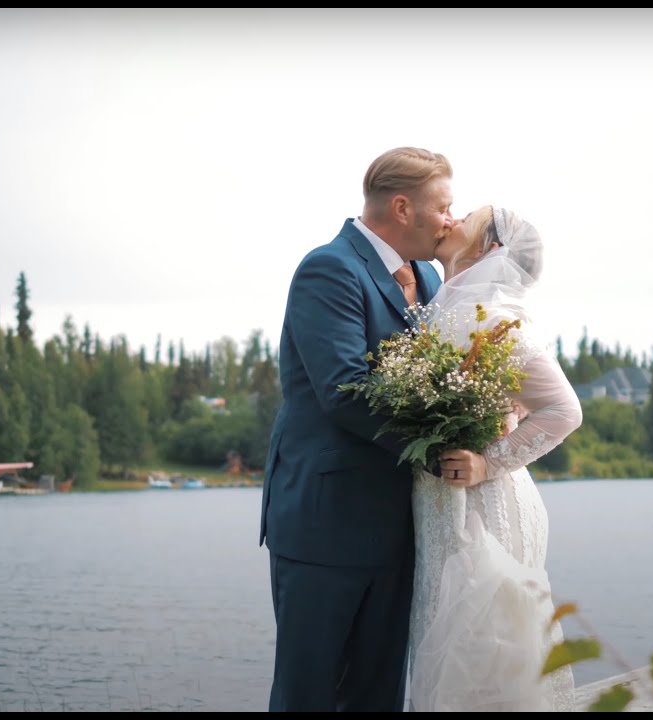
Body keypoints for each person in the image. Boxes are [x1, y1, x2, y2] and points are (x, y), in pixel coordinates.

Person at [259, 147, 453, 712]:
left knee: (378, 696)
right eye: (443, 206)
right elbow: (345, 390)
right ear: (401, 208)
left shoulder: (429, 279)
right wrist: (438, 446)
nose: (449, 220)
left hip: (401, 527)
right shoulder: (329, 269)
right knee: (308, 695)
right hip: (326, 523)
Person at [408, 205, 583, 712]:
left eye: (468, 215)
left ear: (489, 249)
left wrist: (489, 462)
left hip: (487, 507)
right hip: (446, 502)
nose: (451, 216)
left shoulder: (496, 320)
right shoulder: (447, 308)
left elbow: (563, 411)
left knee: (484, 652)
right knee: (449, 647)